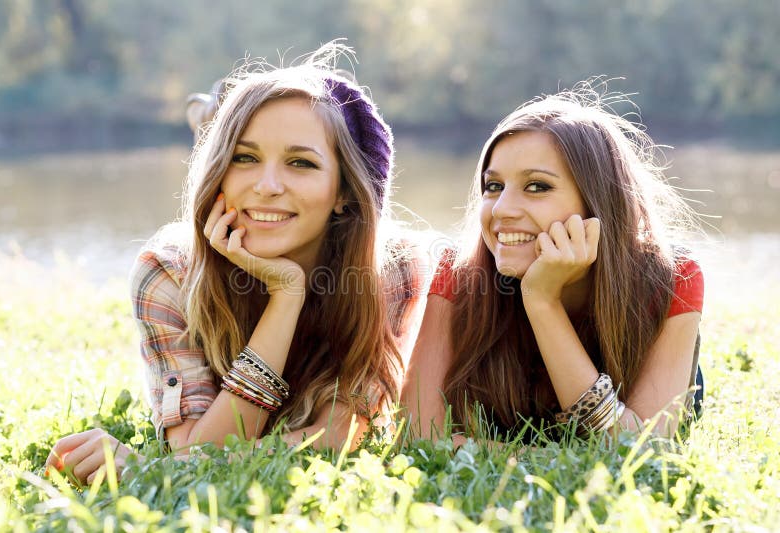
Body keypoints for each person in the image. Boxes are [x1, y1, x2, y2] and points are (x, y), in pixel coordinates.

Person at [46, 43, 424, 485]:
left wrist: (156, 470)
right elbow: (195, 449)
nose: (266, 186)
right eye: (244, 157)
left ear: (344, 191)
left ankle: (214, 114)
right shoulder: (168, 272)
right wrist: (286, 297)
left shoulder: (392, 269)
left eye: (300, 162)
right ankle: (212, 117)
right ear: (219, 170)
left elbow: (337, 437)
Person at [401, 86, 704, 443]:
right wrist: (532, 459)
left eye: (537, 187)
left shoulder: (672, 278)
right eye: (493, 185)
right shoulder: (458, 274)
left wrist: (543, 303)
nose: (501, 210)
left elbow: (640, 449)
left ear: (598, 204)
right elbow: (418, 436)